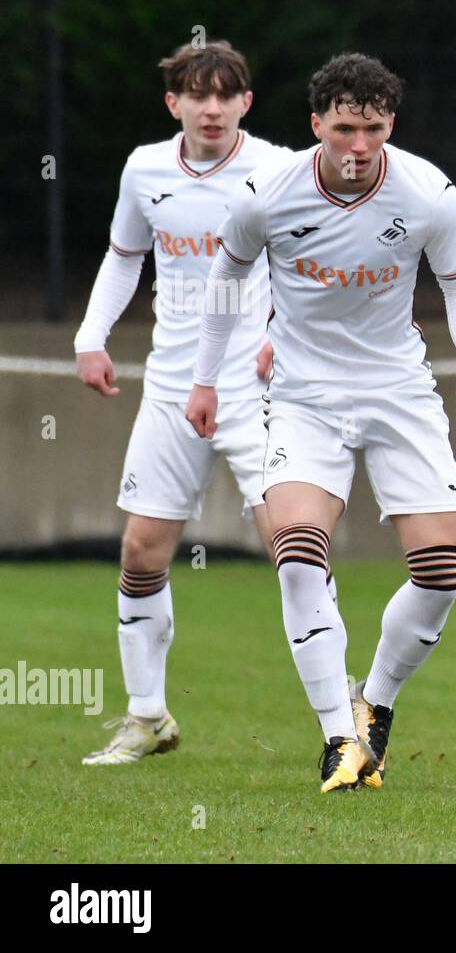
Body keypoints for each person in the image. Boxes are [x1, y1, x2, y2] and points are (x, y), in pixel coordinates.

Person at [186, 53, 456, 793]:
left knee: (442, 572)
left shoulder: (427, 193)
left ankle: (373, 705)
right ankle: (334, 737)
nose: (361, 146)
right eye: (347, 128)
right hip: (302, 394)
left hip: (399, 390)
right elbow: (227, 279)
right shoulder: (267, 194)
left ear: (392, 125)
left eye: (376, 129)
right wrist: (204, 379)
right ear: (316, 123)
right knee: (297, 551)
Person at [77, 41, 292, 766]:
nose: (211, 107)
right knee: (141, 550)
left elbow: (310, 262)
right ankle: (147, 716)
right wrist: (91, 335)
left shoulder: (277, 169)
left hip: (257, 389)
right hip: (172, 386)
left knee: (291, 547)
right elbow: (124, 256)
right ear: (174, 103)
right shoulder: (144, 168)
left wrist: (283, 337)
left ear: (245, 104)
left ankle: (342, 715)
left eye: (225, 94)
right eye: (196, 94)